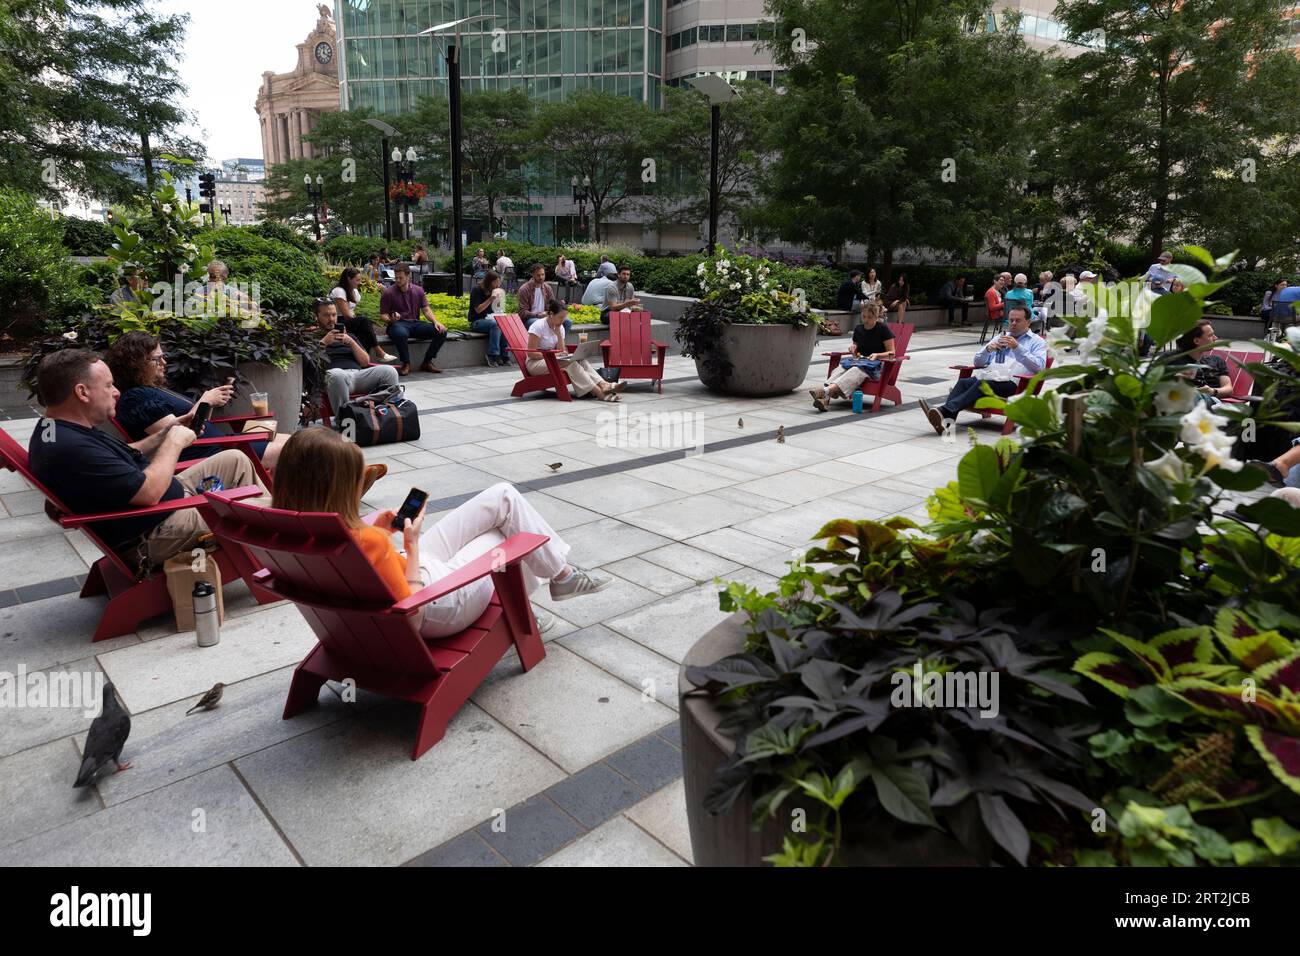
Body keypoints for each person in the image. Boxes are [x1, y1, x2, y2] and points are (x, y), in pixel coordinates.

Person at [270, 428, 612, 638]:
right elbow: (413, 615)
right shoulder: (364, 542)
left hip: (402, 580)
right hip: (435, 604)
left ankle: (561, 575)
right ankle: (527, 605)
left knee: (503, 496)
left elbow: (363, 558)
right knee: (505, 537)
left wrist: (379, 531)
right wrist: (413, 546)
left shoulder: (289, 532)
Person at [27, 348, 268, 567]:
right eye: (109, 386)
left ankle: (275, 537)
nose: (116, 392)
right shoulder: (70, 447)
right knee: (251, 508)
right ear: (82, 392)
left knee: (235, 459)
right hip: (156, 531)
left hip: (165, 504)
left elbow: (121, 455)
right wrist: (174, 443)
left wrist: (165, 433)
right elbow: (149, 491)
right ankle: (284, 546)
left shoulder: (53, 429)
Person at [107, 331, 290, 471]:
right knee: (300, 452)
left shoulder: (150, 391)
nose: (164, 362)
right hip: (211, 454)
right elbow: (175, 436)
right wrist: (204, 400)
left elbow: (198, 426)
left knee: (298, 441)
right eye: (157, 358)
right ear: (136, 364)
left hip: (220, 444)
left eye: (164, 357)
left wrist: (209, 404)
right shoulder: (135, 399)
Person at [919, 305, 1046, 434]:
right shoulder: (1001, 337)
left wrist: (1017, 347)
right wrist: (988, 350)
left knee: (982, 385)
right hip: (992, 377)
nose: (1013, 324)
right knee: (963, 383)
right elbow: (977, 362)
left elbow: (1039, 367)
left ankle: (943, 411)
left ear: (1028, 322)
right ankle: (946, 422)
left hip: (1015, 385)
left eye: (1017, 321)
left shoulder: (1037, 342)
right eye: (1011, 320)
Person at [310, 298, 401, 419]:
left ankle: (387, 417)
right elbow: (308, 362)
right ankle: (344, 421)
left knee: (389, 371)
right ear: (316, 317)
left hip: (358, 376)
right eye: (326, 315)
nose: (331, 319)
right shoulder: (311, 338)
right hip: (333, 378)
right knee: (337, 375)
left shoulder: (349, 336)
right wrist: (324, 342)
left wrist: (351, 342)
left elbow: (365, 362)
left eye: (333, 314)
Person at [527, 300, 622, 401]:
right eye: (560, 317)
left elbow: (561, 351)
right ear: (551, 314)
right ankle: (599, 392)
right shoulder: (538, 326)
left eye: (564, 317)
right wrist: (552, 356)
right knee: (571, 363)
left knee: (579, 360)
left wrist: (558, 334)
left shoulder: (560, 327)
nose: (563, 320)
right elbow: (531, 353)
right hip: (535, 363)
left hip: (552, 360)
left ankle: (603, 385)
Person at [809, 302, 895, 411]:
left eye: (870, 317)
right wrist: (853, 349)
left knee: (856, 370)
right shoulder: (859, 329)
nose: (866, 320)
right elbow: (856, 353)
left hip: (878, 367)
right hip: (861, 362)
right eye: (864, 316)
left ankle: (824, 391)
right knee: (840, 369)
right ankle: (824, 396)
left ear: (876, 317)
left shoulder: (883, 329)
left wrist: (877, 355)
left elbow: (892, 353)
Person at [380, 263, 448, 375]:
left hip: (415, 324)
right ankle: (406, 363)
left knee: (441, 331)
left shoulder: (419, 290)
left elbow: (426, 310)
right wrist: (391, 320)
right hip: (398, 325)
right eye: (396, 277)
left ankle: (427, 362)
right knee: (400, 333)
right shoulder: (388, 292)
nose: (397, 280)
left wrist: (436, 322)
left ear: (408, 276)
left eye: (400, 278)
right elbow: (383, 315)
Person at [330, 267, 398, 364]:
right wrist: (361, 322)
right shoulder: (339, 291)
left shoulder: (354, 292)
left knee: (364, 333)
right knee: (364, 321)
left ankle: (362, 361)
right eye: (357, 280)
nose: (359, 282)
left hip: (348, 322)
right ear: (349, 279)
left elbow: (352, 313)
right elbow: (347, 315)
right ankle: (379, 352)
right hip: (338, 322)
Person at [1169, 320, 1232, 406]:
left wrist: (1212, 391)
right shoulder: (1173, 360)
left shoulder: (1216, 360)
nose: (1215, 338)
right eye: (1210, 335)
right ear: (1196, 341)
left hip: (1210, 400)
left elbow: (1228, 389)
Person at [468, 270, 508, 367]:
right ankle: (492, 355)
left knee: (504, 324)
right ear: (489, 282)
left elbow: (497, 308)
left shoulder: (494, 290)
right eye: (495, 283)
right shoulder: (477, 290)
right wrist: (491, 299)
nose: (498, 285)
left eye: (499, 283)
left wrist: (498, 300)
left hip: (490, 319)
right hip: (477, 321)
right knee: (496, 325)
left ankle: (504, 356)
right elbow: (478, 310)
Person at [982, 273, 1007, 341]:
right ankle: (1005, 337)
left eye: (1003, 281)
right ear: (995, 281)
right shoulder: (991, 292)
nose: (1003, 282)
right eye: (1001, 280)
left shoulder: (996, 291)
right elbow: (992, 307)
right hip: (994, 314)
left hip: (998, 313)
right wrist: (1003, 304)